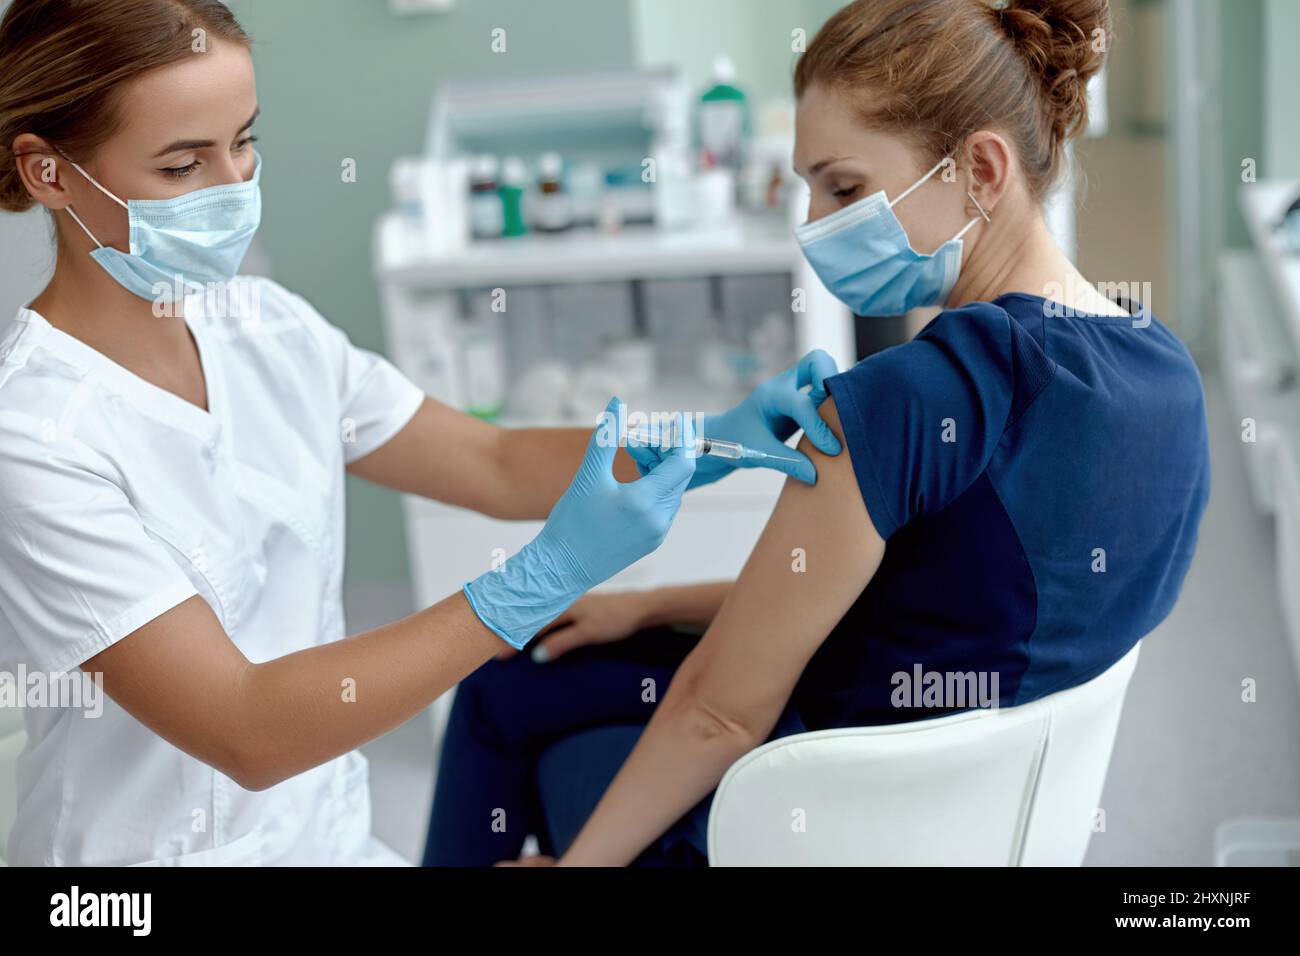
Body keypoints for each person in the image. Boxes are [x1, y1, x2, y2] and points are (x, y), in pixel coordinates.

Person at [0, 0, 838, 866]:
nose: (233, 188)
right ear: (49, 174)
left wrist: (702, 439)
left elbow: (491, 459)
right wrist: (538, 580)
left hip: (323, 838)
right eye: (182, 166)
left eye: (244, 143)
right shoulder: (34, 436)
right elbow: (244, 725)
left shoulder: (264, 327)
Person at [425, 0, 1211, 867]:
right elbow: (940, 607)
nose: (814, 226)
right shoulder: (1165, 371)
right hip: (968, 819)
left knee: (502, 687)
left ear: (981, 168)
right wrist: (654, 605)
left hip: (806, 819)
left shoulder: (897, 400)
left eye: (843, 188)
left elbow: (718, 715)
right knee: (559, 654)